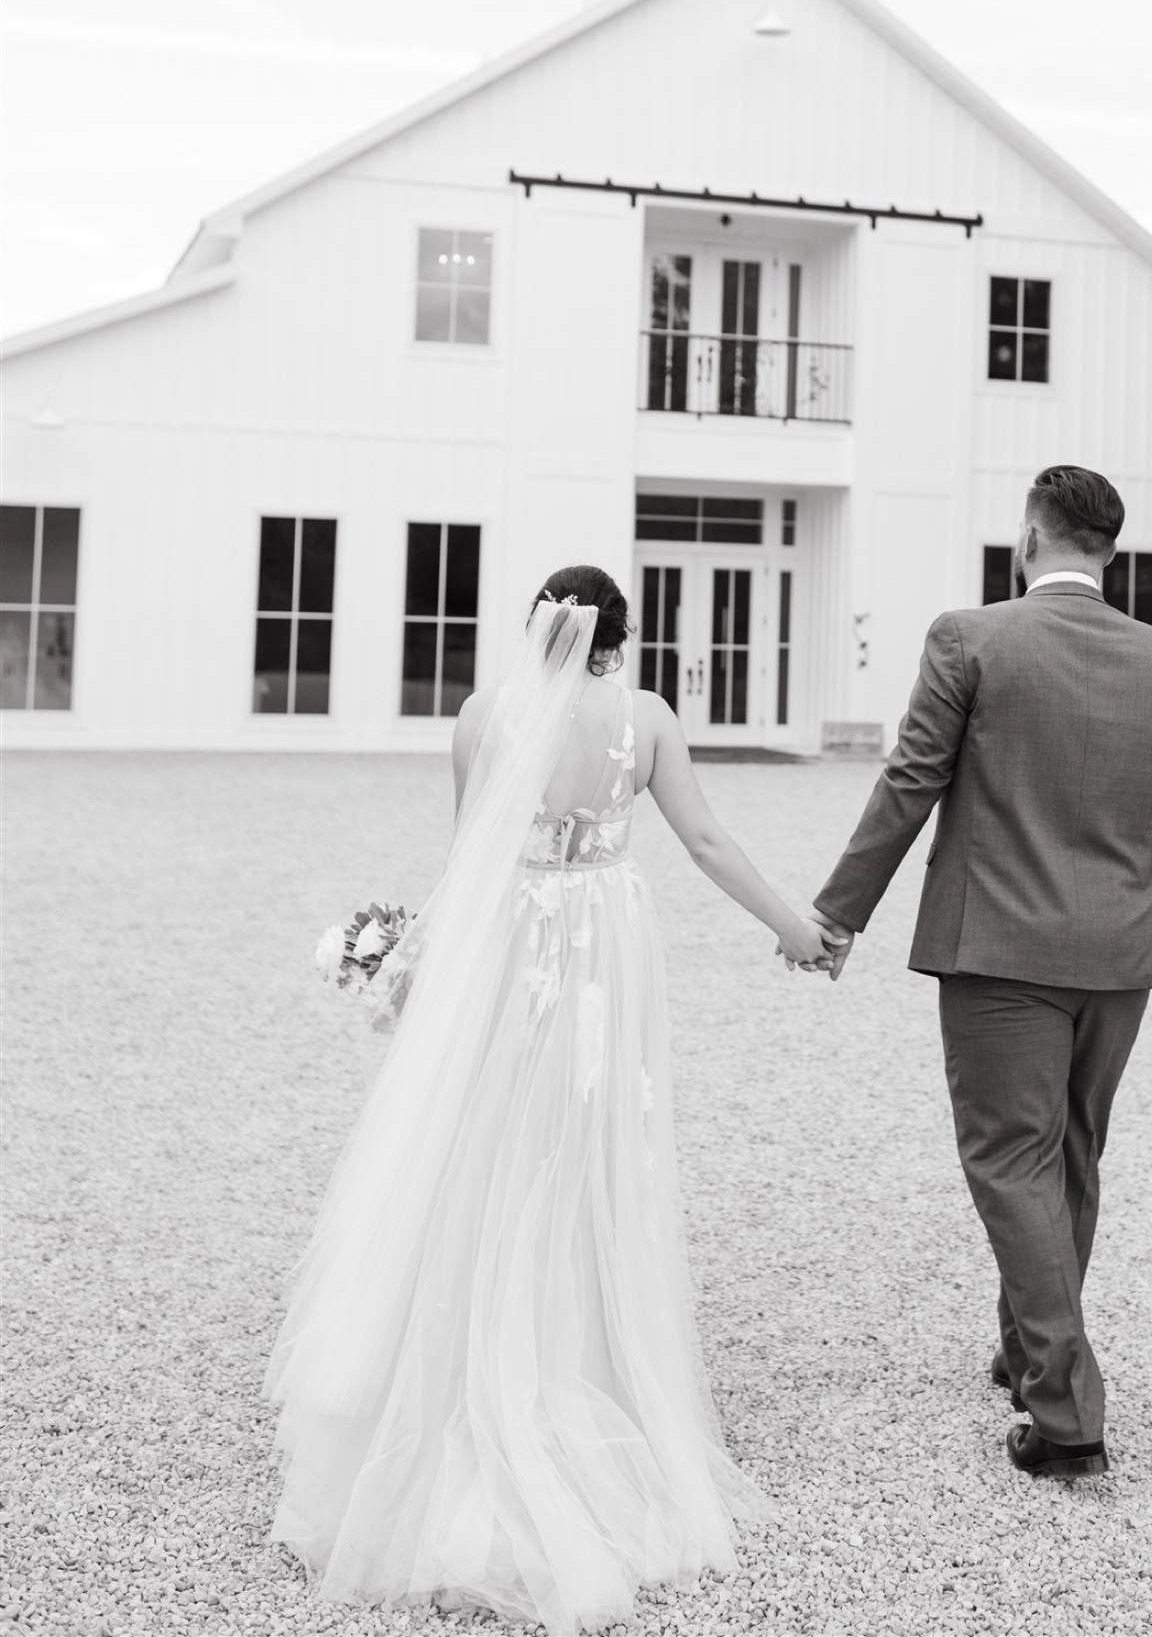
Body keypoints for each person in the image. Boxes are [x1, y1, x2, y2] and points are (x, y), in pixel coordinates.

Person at [265, 566, 838, 1630]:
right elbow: (706, 841)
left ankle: (474, 1358)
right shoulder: (649, 717)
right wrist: (794, 925)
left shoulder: (484, 716)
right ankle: (584, 1365)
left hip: (514, 938)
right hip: (602, 943)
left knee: (488, 1137)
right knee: (588, 1137)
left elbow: (468, 857)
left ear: (537, 629)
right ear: (621, 639)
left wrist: (413, 967)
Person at [811, 465, 1152, 1479]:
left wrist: (836, 912)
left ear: (1029, 537)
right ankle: (1026, 1347)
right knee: (1070, 1152)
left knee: (1008, 1158)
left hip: (996, 951)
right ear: (1108, 551)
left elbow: (912, 780)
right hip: (1116, 956)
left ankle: (1069, 1410)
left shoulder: (971, 637)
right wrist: (1144, 923)